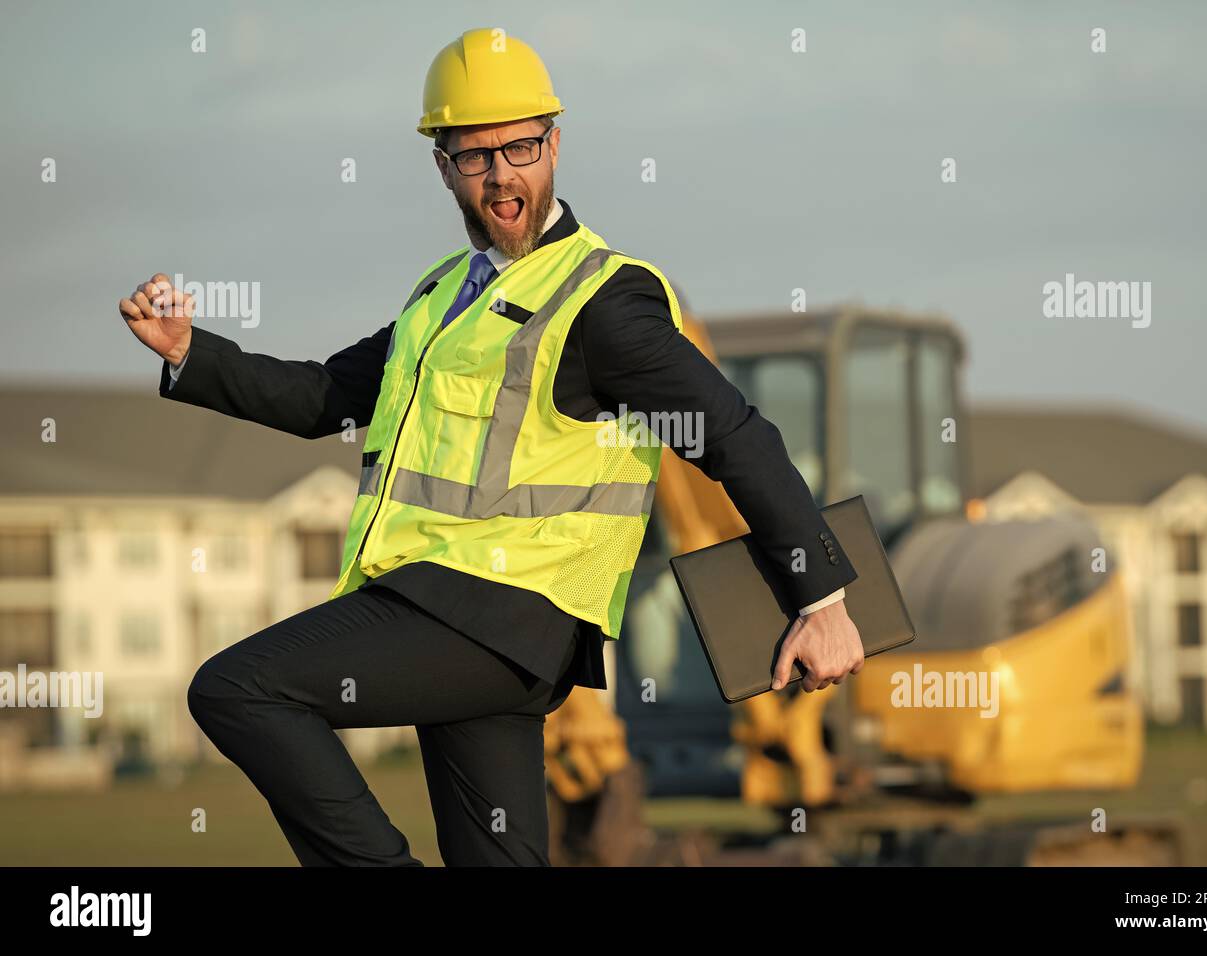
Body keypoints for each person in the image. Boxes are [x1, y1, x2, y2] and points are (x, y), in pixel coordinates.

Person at [116, 27, 864, 867]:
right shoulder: (441, 298)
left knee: (237, 689)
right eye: (476, 157)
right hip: (451, 615)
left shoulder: (604, 299)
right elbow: (323, 396)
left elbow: (731, 434)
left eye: (520, 147)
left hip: (510, 615)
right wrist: (188, 352)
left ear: (554, 142)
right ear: (444, 167)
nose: (502, 173)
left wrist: (823, 600)